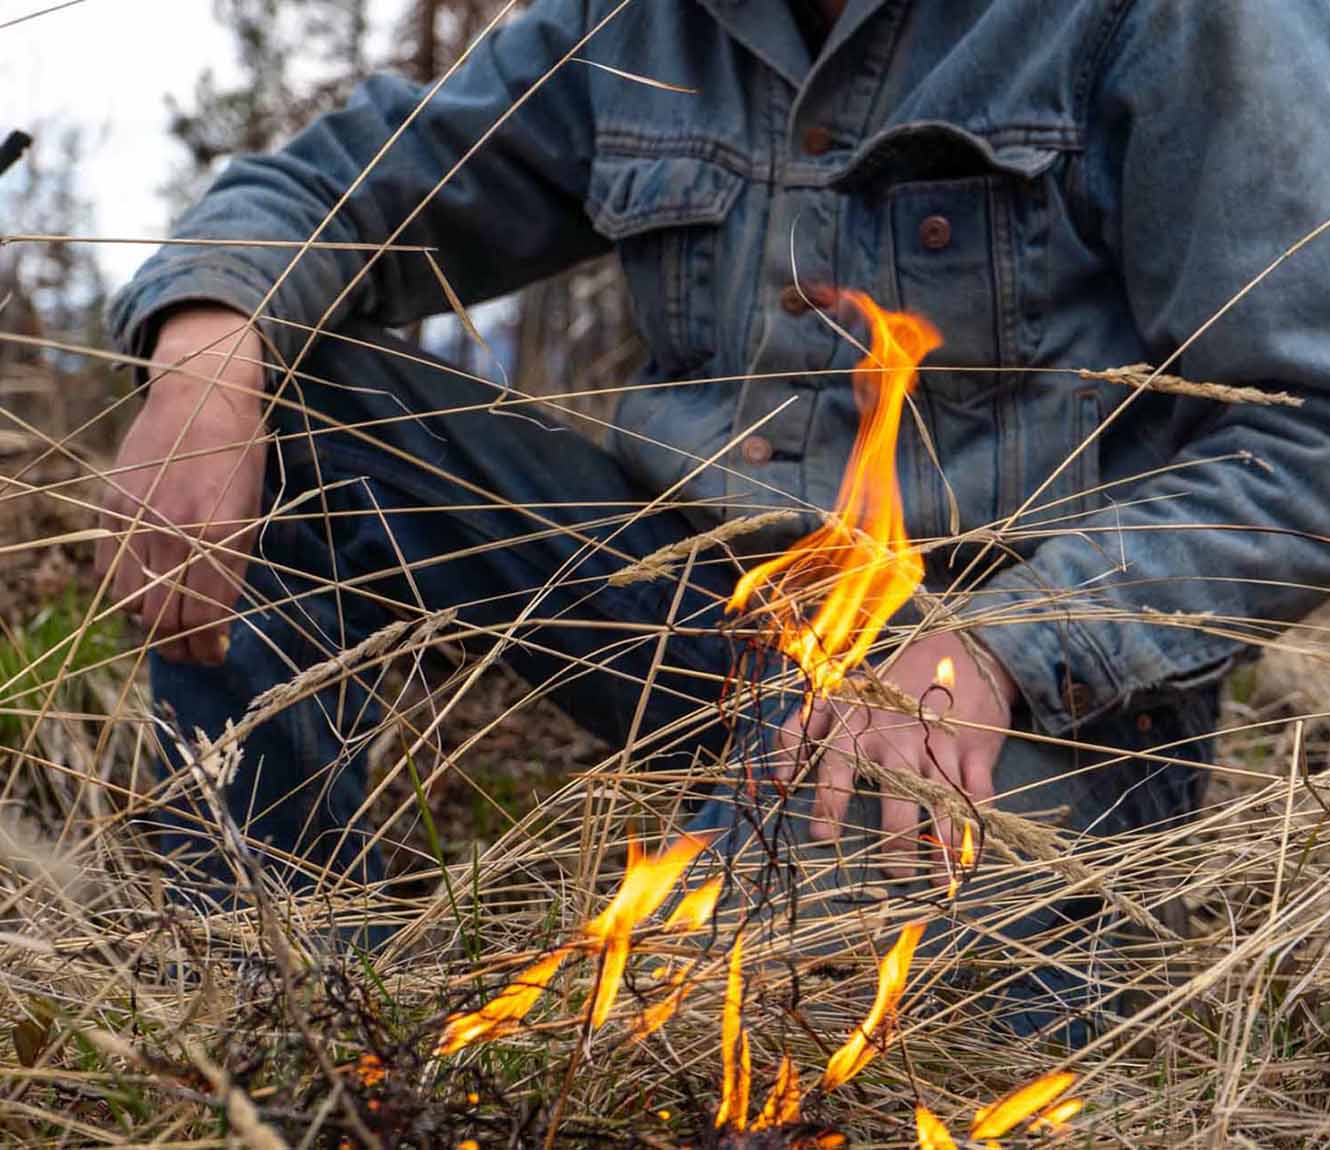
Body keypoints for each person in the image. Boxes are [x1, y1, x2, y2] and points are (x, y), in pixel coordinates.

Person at [98, 0, 1330, 1042]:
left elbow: (1304, 436)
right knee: (294, 395)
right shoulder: (645, 21)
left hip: (1021, 678)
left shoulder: (1173, 19)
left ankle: (917, 909)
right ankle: (280, 1002)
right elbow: (344, 181)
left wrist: (1014, 642)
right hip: (692, 612)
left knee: (694, 1025)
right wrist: (207, 346)